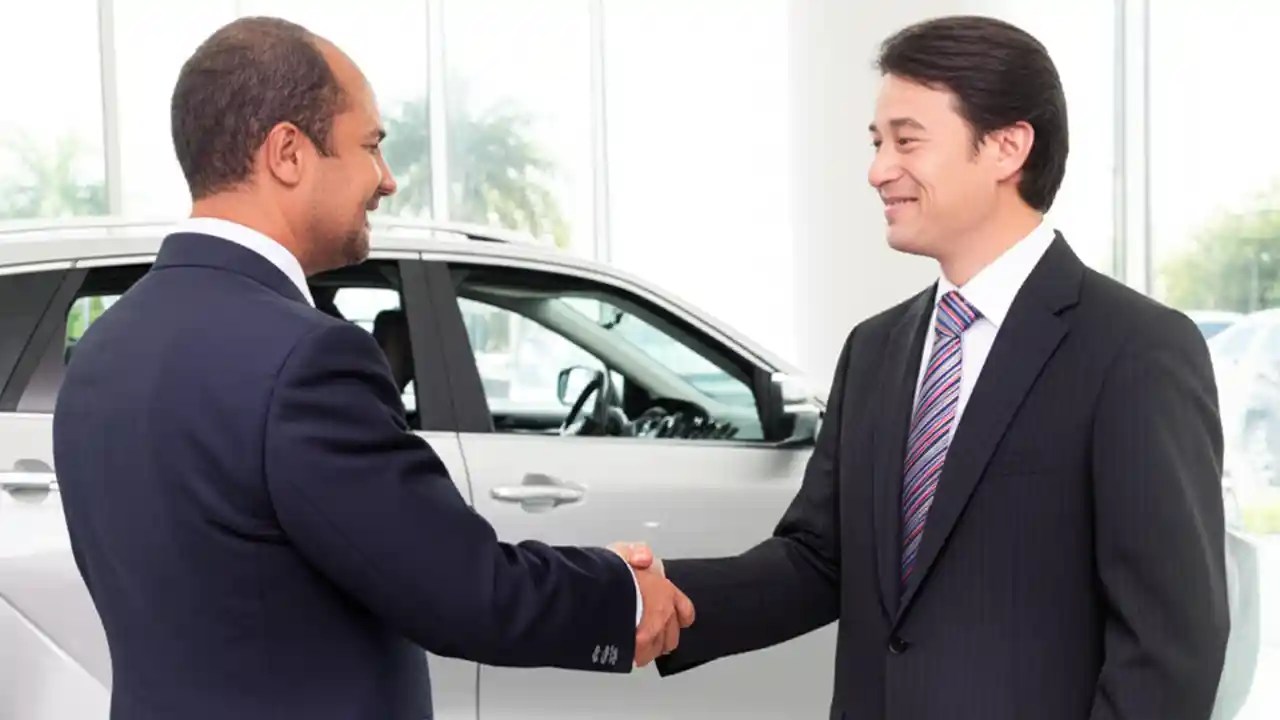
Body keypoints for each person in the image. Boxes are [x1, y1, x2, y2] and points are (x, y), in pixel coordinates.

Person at [52, 16, 692, 720]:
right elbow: (464, 590)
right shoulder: (306, 359)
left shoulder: (101, 348)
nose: (385, 180)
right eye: (370, 145)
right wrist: (624, 596)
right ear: (288, 153)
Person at [616, 14, 1229, 720]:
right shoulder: (876, 349)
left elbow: (1170, 646)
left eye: (906, 141)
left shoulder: (1135, 349)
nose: (878, 170)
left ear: (1006, 146)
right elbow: (819, 561)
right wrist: (653, 595)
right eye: (877, 143)